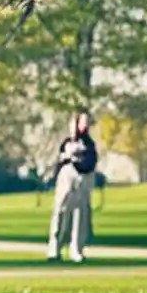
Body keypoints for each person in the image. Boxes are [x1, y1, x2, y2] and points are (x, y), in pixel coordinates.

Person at [48, 111, 98, 263]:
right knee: (61, 213)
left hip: (82, 180)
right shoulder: (67, 143)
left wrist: (78, 162)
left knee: (80, 215)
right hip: (66, 179)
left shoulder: (89, 144)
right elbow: (60, 161)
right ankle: (55, 248)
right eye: (82, 122)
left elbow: (91, 162)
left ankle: (76, 249)